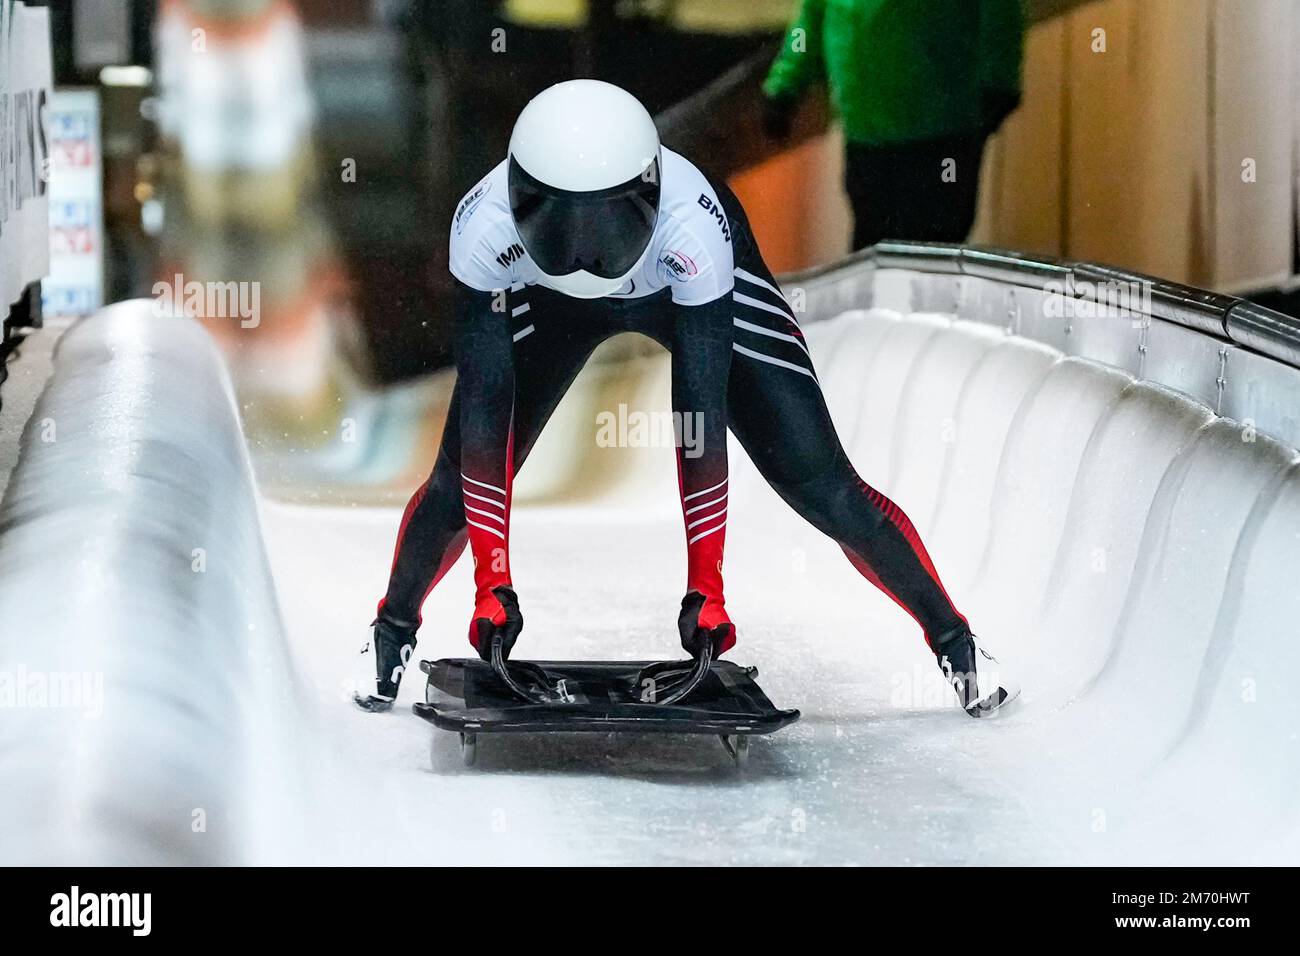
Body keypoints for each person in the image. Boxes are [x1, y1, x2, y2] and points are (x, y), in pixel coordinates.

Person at [355, 80, 1005, 716]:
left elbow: (699, 418)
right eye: (561, 224)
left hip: (678, 290)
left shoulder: (692, 226)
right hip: (550, 304)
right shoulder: (482, 225)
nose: (584, 252)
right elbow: (484, 418)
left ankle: (957, 644)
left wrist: (706, 590)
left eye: (604, 224)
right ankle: (390, 635)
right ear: (520, 198)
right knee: (453, 484)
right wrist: (491, 584)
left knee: (824, 485)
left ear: (648, 195)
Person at [762, 0, 1024, 251]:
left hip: (940, 136)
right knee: (875, 244)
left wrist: (999, 81)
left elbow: (999, 11)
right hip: (868, 140)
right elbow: (811, 20)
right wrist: (785, 86)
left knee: (933, 246)